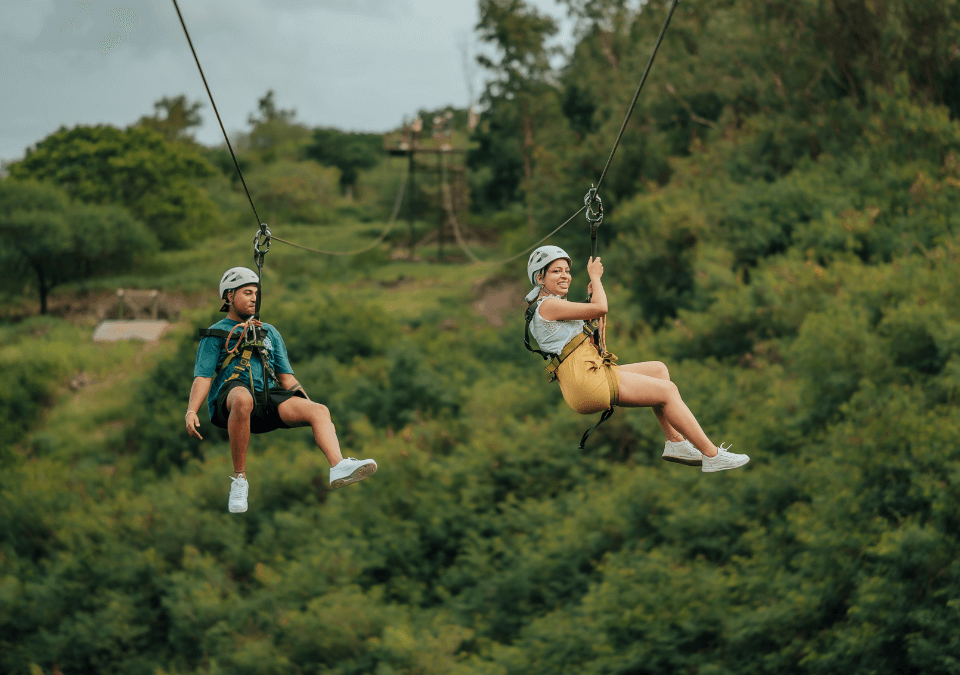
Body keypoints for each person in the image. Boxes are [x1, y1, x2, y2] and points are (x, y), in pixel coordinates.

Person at [524, 246, 749, 472]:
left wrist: (593, 292)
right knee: (667, 391)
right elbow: (600, 308)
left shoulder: (548, 306)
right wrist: (595, 276)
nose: (565, 276)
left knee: (658, 370)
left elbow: (593, 314)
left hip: (586, 376)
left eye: (567, 270)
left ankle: (676, 442)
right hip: (586, 382)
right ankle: (712, 455)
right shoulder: (549, 305)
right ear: (540, 278)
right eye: (556, 271)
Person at [185, 267, 377, 513]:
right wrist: (192, 411)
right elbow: (203, 377)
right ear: (229, 297)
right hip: (231, 399)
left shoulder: (269, 332)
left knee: (319, 410)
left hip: (267, 398)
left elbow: (287, 379)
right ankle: (239, 480)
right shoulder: (215, 334)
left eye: (256, 292)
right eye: (247, 292)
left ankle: (338, 465)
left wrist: (310, 409)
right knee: (243, 398)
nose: (254, 298)